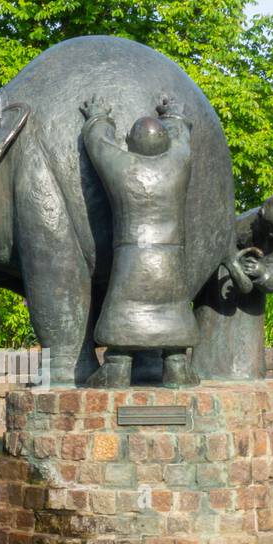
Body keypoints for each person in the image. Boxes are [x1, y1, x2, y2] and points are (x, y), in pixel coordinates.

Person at [81, 94, 199, 388]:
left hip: (133, 259)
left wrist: (98, 116)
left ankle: (117, 366)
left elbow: (99, 144)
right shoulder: (178, 162)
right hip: (169, 260)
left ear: (131, 144)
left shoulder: (123, 167)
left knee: (125, 304)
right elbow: (182, 137)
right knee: (173, 306)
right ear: (163, 144)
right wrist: (172, 115)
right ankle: (176, 365)